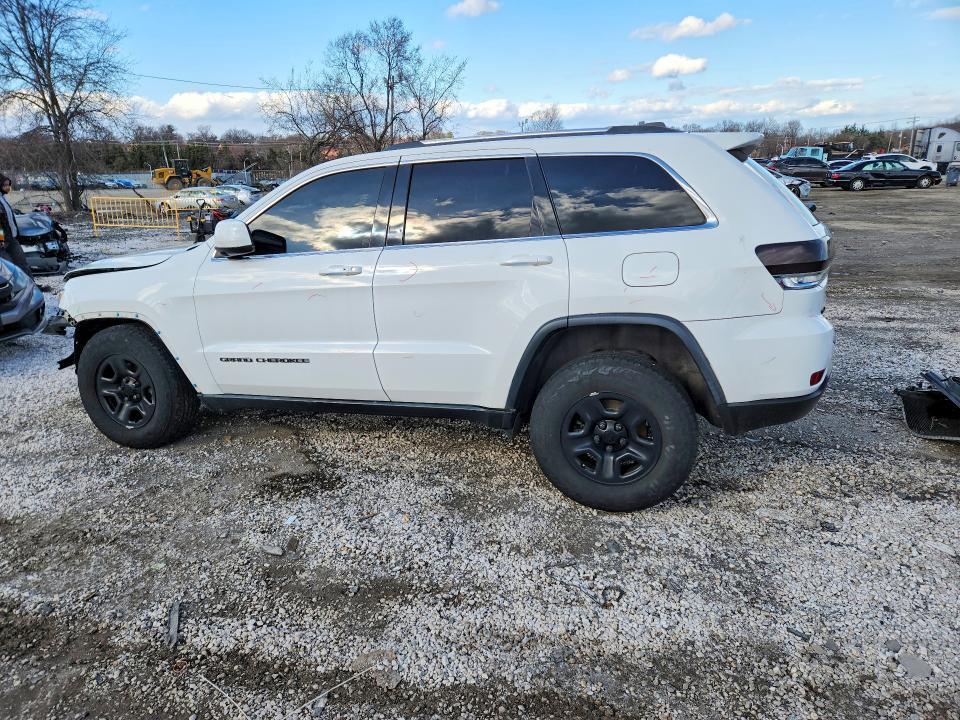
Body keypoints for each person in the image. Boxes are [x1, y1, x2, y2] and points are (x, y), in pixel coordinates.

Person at [0, 173, 33, 277]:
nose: (7, 187)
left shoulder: (3, 198)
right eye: (4, 185)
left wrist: (16, 234)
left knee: (22, 263)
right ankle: (15, 290)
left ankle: (32, 286)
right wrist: (1, 240)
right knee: (9, 268)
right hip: (2, 242)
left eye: (8, 185)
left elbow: (9, 220)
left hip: (11, 238)